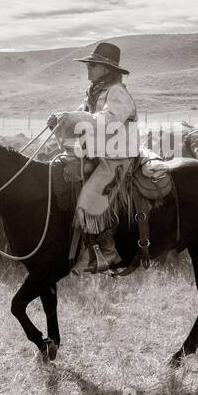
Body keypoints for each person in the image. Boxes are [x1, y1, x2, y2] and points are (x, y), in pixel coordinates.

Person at [47, 41, 139, 274]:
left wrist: (74, 117)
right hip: (97, 154)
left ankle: (108, 251)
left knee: (89, 198)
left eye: (93, 65)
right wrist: (61, 119)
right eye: (88, 64)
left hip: (117, 157)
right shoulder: (95, 91)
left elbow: (109, 119)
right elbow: (83, 115)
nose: (88, 68)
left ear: (106, 69)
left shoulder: (117, 92)